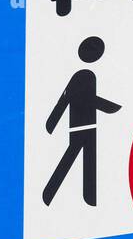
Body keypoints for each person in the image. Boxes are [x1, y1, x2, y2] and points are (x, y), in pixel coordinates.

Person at [42, 37, 120, 208]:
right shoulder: (82, 76)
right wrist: (51, 123)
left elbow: (66, 101)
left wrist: (52, 123)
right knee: (72, 156)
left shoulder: (88, 76)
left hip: (91, 127)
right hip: (78, 127)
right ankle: (50, 193)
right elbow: (66, 99)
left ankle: (89, 199)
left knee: (86, 159)